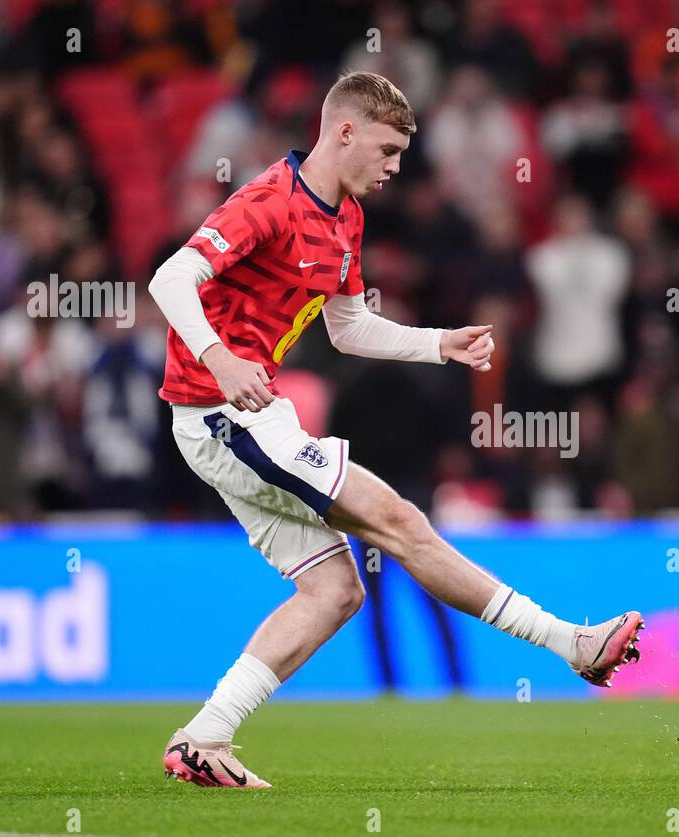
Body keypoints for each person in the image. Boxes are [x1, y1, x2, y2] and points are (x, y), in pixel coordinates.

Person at [147, 72, 643, 789]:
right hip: (227, 415)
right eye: (386, 150)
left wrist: (437, 343)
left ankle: (205, 736)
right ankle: (573, 641)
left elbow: (347, 329)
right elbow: (171, 278)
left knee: (337, 593)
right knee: (399, 521)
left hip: (245, 418)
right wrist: (221, 360)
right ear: (343, 132)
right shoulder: (269, 201)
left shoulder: (345, 217)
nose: (395, 168)